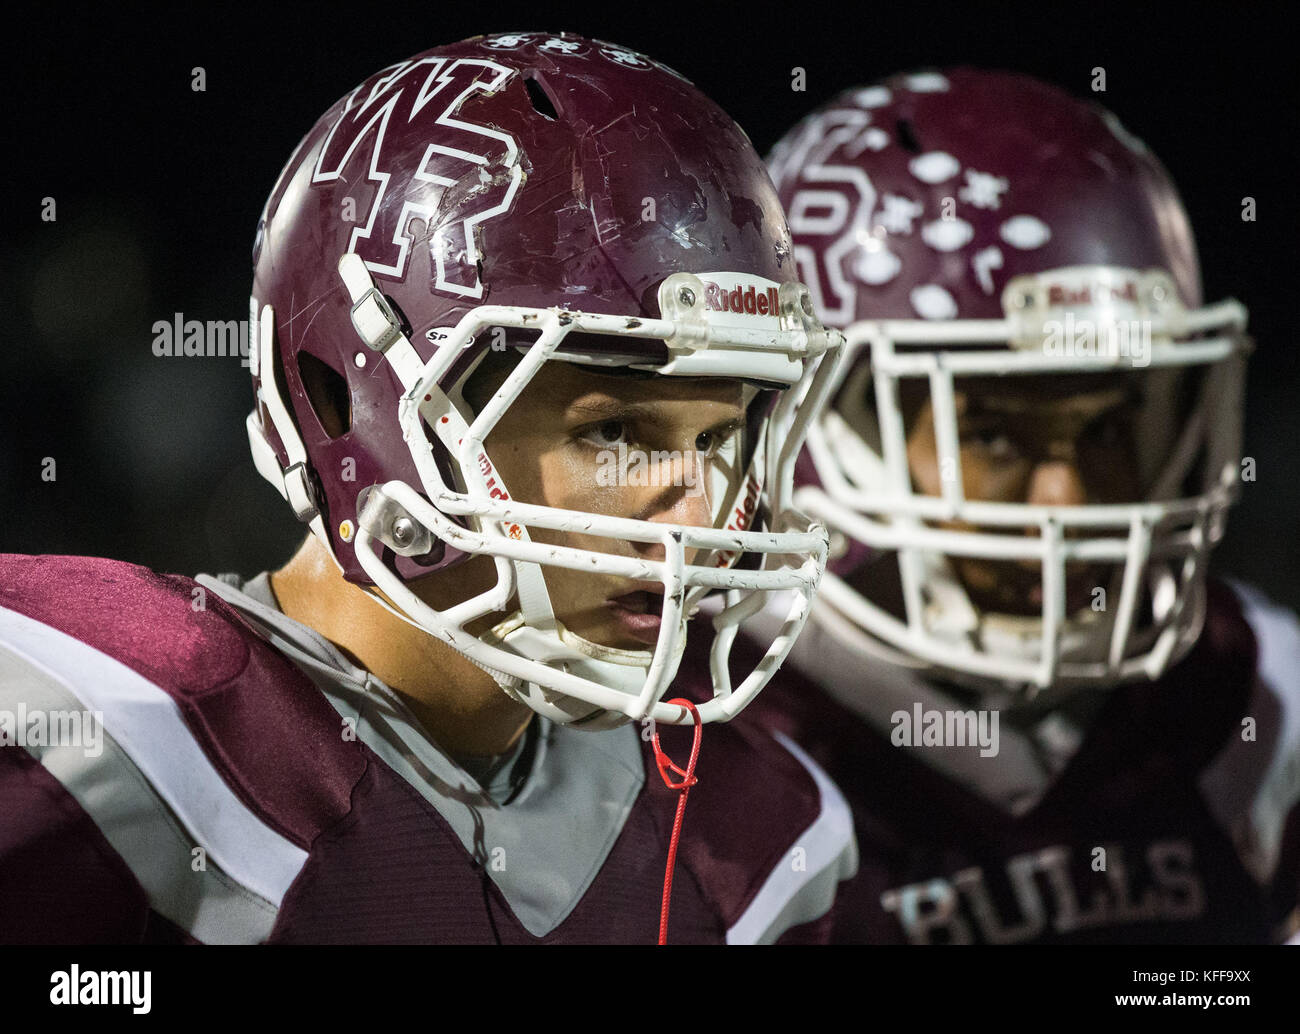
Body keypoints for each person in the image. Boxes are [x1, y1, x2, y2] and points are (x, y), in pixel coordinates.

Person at [0, 32, 855, 944]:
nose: (697, 521)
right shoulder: (104, 734)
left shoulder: (758, 843)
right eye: (613, 431)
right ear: (345, 400)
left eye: (718, 436)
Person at [731, 67, 1299, 943]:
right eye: (994, 436)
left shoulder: (1249, 696)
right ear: (821, 421)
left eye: (1108, 430)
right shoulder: (700, 731)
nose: (1066, 504)